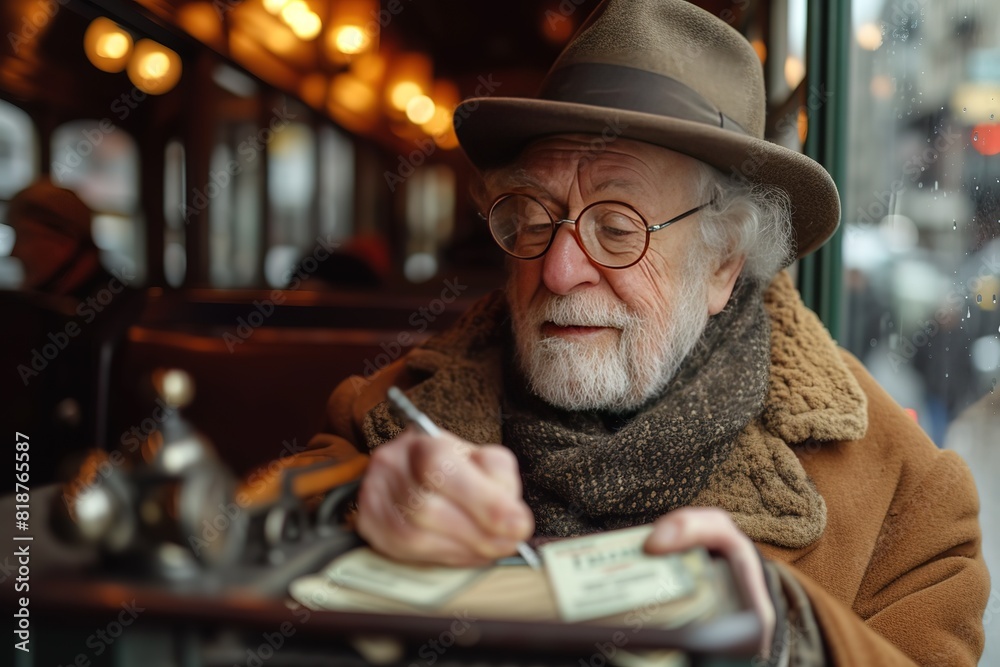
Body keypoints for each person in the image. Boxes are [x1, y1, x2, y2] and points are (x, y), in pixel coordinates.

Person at [290, 1, 988, 664]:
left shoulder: (908, 501)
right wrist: (355, 510)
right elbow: (252, 534)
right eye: (534, 218)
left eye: (618, 229)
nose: (559, 270)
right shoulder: (381, 420)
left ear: (723, 261)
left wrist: (787, 638)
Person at [2, 178, 141, 485]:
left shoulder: (123, 318)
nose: (14, 252)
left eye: (24, 237)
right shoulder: (39, 309)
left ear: (63, 241)